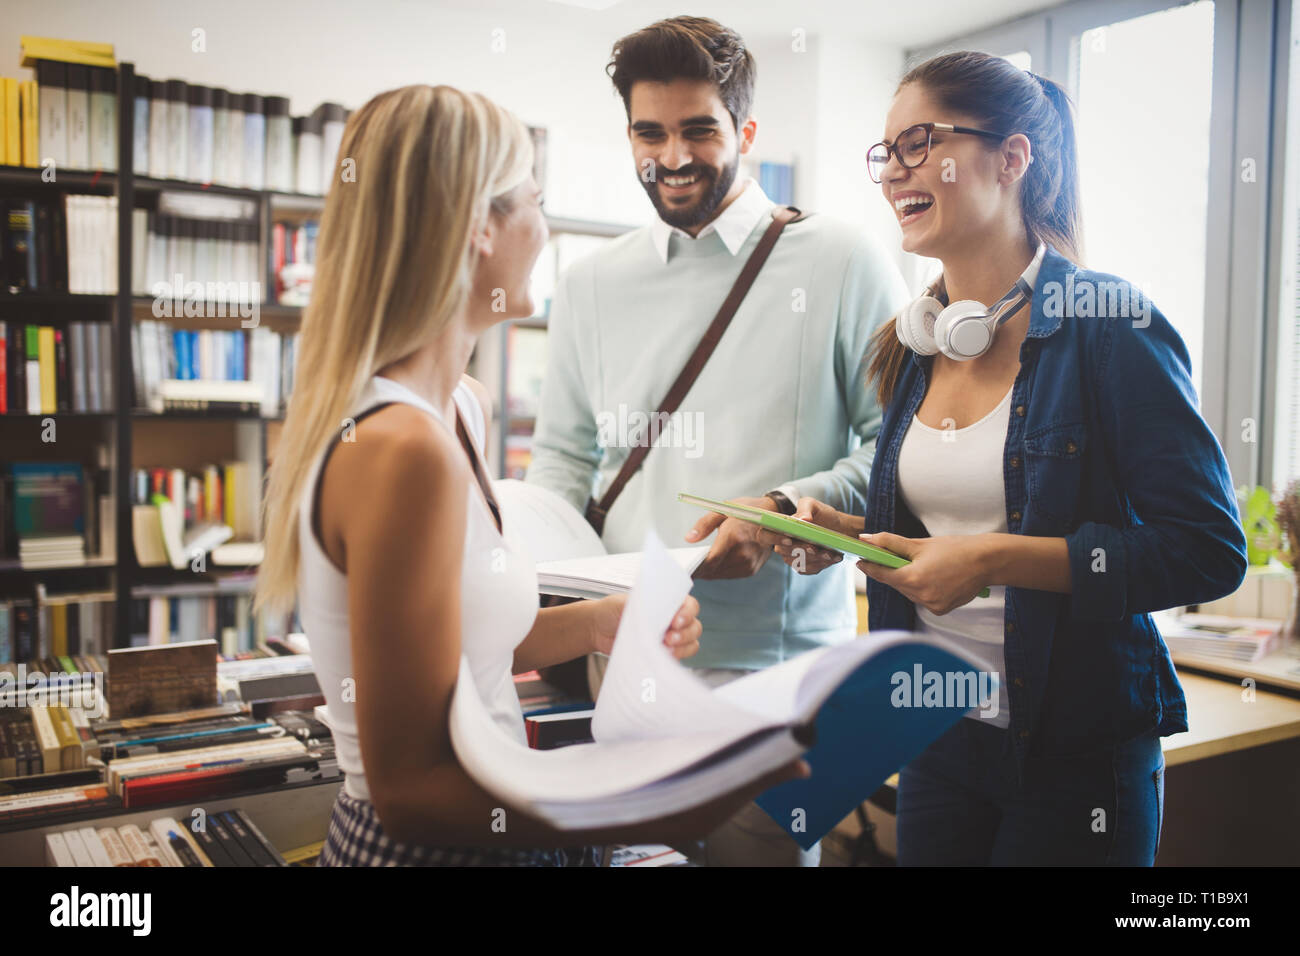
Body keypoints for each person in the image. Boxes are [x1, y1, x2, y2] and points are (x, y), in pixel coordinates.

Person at [256, 84, 802, 867]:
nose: (544, 232)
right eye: (536, 203)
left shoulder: (461, 411)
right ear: (480, 227)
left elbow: (462, 656)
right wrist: (656, 801)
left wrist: (596, 624)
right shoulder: (399, 449)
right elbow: (408, 791)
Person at [765, 51, 1247, 865]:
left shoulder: (1112, 326)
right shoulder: (912, 345)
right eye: (885, 152)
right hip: (936, 728)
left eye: (918, 142)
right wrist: (844, 532)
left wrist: (993, 559)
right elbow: (938, 534)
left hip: (1075, 751)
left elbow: (1207, 551)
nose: (893, 172)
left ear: (1013, 157)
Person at [526, 15, 908, 867]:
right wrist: (554, 597)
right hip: (621, 659)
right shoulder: (589, 284)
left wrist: (779, 511)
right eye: (649, 132)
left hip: (779, 680)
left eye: (699, 129)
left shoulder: (844, 260)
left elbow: (894, 453)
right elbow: (558, 461)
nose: (672, 156)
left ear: (746, 131)